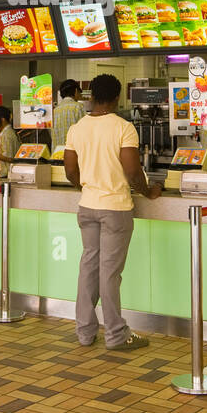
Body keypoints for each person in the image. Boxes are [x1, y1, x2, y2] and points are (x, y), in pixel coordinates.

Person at [63, 73, 162, 351]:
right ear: (118, 97)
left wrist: (86, 184)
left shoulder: (77, 128)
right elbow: (132, 171)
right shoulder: (123, 127)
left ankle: (84, 331)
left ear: (90, 95)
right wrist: (148, 191)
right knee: (109, 273)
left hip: (88, 206)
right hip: (115, 208)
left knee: (88, 268)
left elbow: (70, 169)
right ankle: (116, 334)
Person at [51, 79, 86, 149]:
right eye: (79, 93)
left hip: (56, 154)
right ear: (76, 91)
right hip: (73, 153)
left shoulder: (54, 110)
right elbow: (85, 132)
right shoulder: (78, 107)